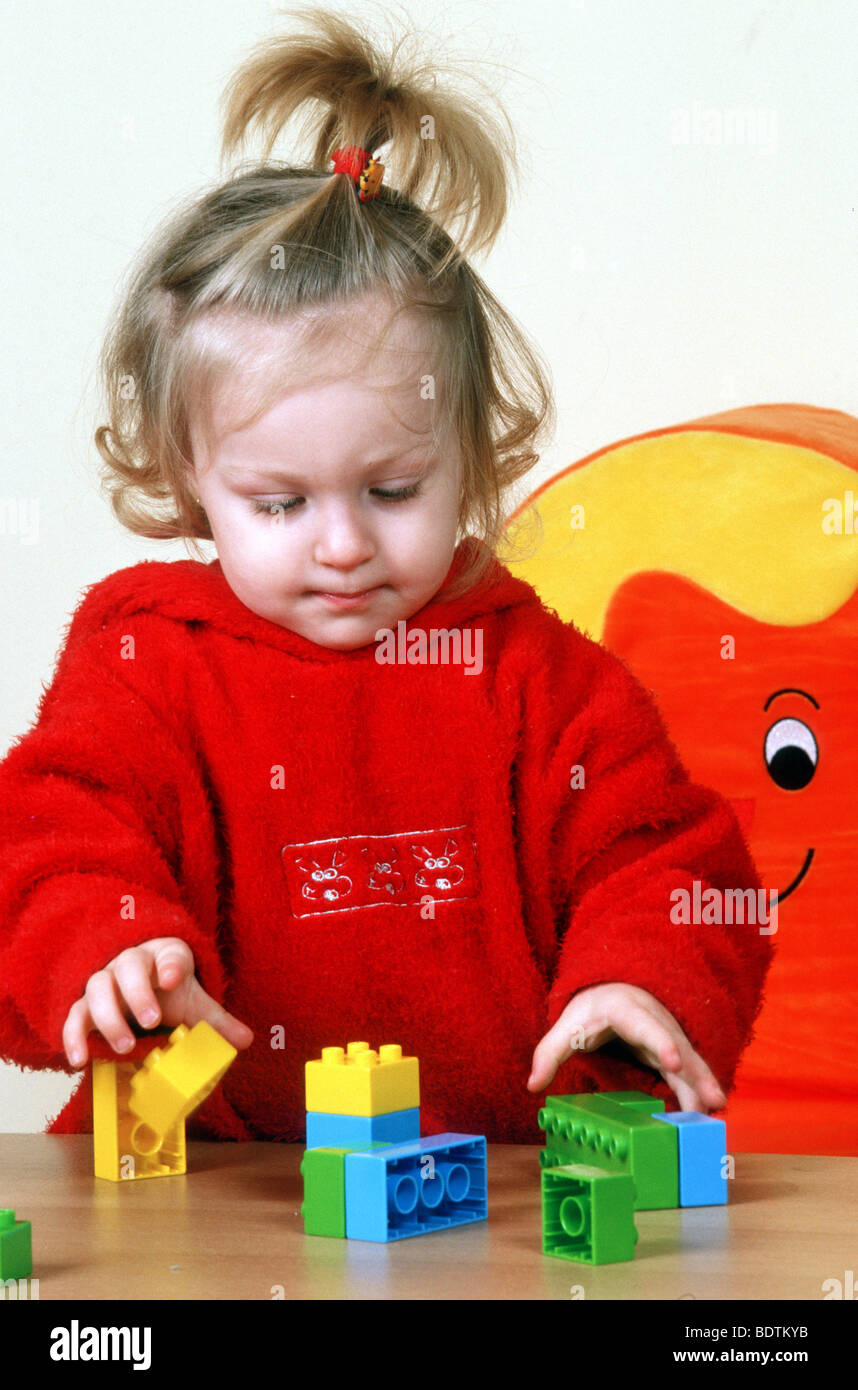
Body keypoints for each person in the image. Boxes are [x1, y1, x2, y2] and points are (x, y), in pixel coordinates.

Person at [0, 7, 772, 1142]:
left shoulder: (535, 675)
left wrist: (636, 985)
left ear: (474, 447)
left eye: (394, 490)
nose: (344, 544)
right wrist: (105, 949)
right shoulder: (146, 660)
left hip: (483, 1206)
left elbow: (662, 859)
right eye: (280, 503)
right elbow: (50, 835)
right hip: (201, 1189)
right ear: (188, 473)